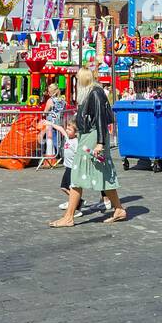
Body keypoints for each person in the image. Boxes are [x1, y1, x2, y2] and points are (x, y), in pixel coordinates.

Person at [49, 67, 126, 227]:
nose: (76, 81)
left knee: (77, 175)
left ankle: (69, 216)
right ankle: (118, 209)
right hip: (89, 135)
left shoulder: (95, 93)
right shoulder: (92, 92)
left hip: (93, 137)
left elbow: (100, 118)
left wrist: (100, 143)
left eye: (78, 78)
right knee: (102, 173)